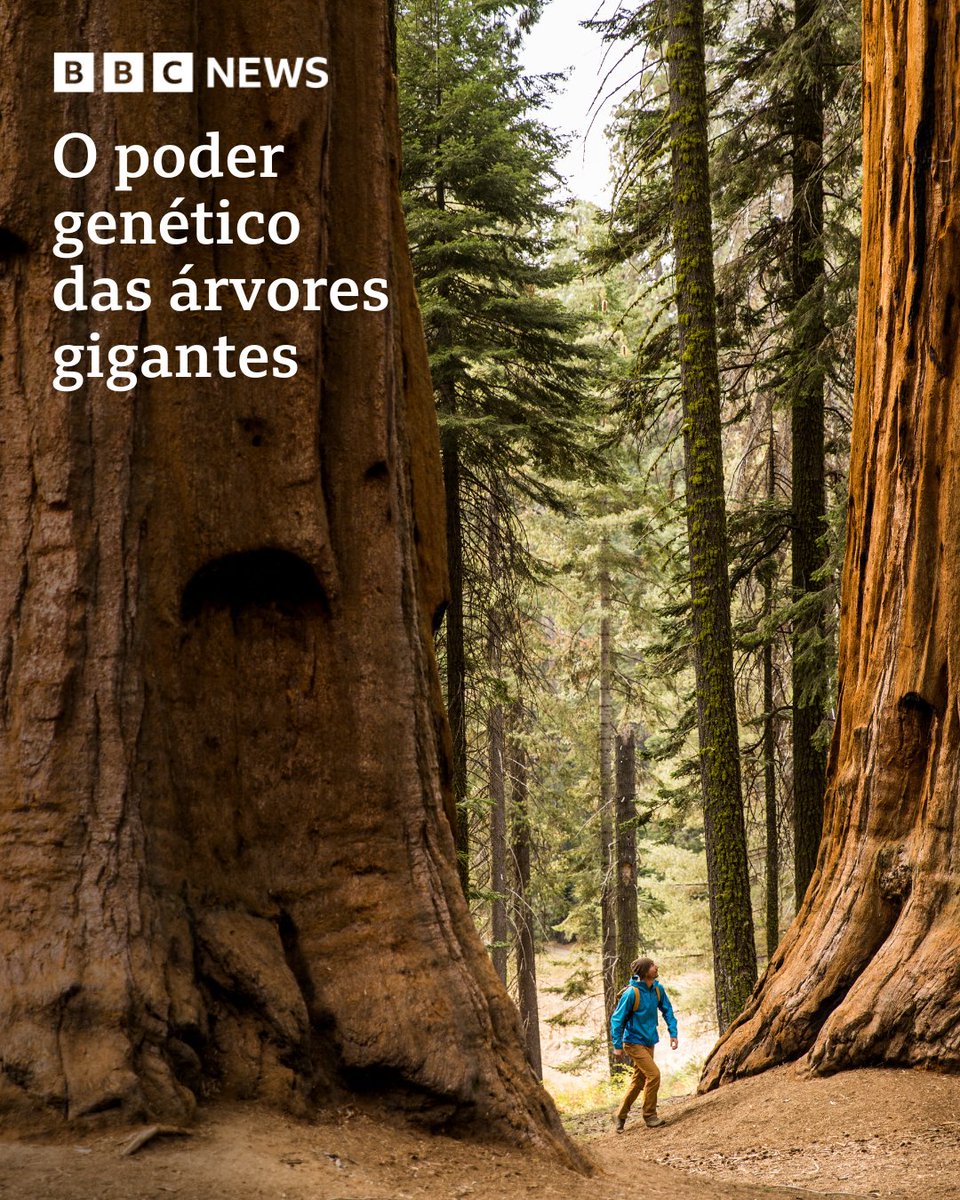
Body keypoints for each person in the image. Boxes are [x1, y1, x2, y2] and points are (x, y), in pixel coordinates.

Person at [610, 956, 678, 1131]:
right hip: (633, 1042)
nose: (656, 967)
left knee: (638, 1081)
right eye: (652, 965)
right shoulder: (632, 993)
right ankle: (650, 1116)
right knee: (654, 1074)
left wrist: (673, 1032)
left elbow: (667, 1010)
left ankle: (619, 1114)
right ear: (645, 971)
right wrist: (617, 1045)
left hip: (649, 1041)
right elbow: (617, 1020)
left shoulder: (657, 989)